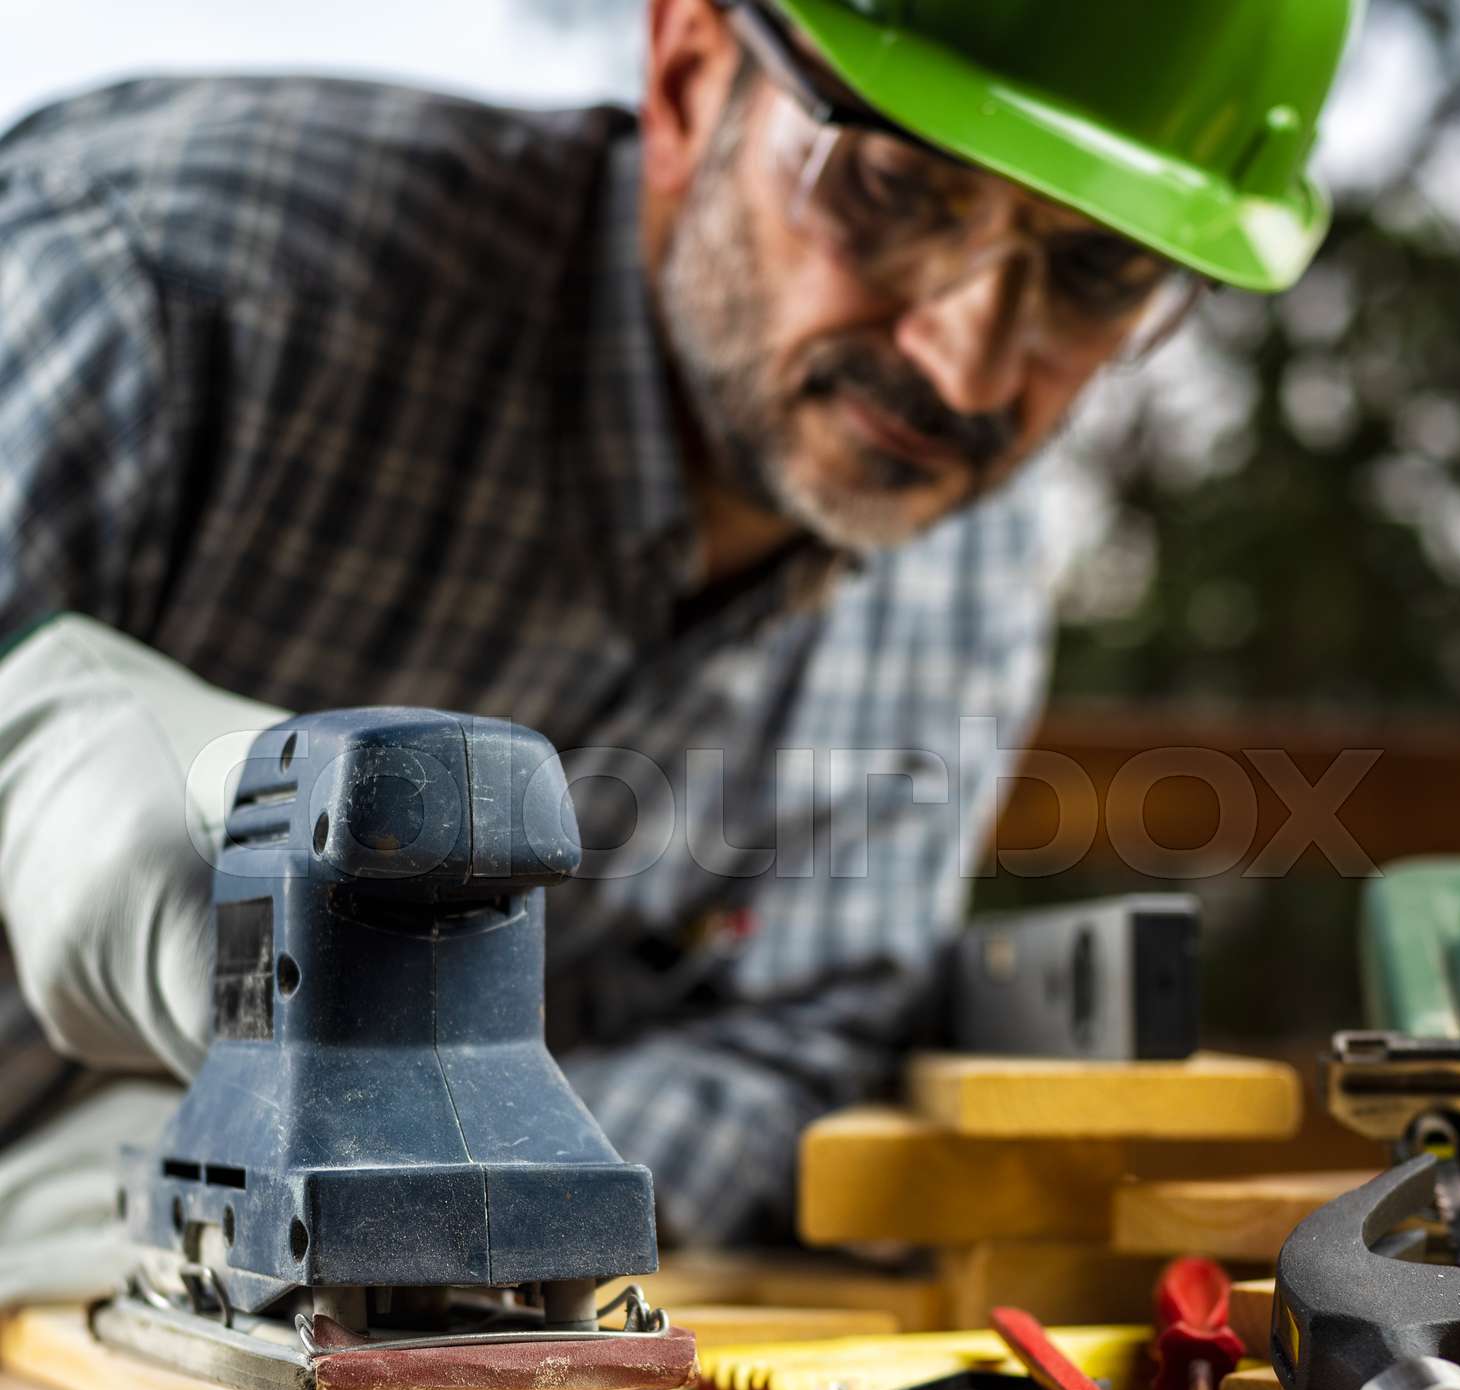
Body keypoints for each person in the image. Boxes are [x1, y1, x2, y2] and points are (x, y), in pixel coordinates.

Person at [0, 0, 1361, 1288]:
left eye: (1100, 271)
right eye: (891, 189)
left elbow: (792, 1046)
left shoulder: (965, 566)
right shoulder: (155, 297)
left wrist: (451, 1197)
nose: (967, 366)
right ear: (690, 73)